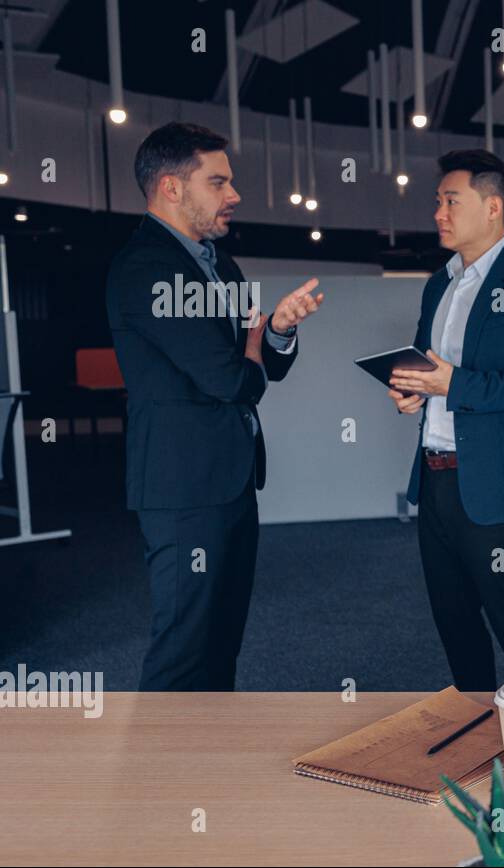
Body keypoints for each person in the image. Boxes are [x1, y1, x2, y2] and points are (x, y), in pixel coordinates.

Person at [106, 122, 324, 690]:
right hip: (182, 490)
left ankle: (209, 772)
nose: (235, 196)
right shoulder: (146, 269)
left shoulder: (219, 266)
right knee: (183, 649)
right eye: (219, 182)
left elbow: (263, 366)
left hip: (230, 482)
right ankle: (156, 780)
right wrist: (250, 352)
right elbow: (234, 382)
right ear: (172, 188)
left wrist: (274, 330)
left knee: (222, 644)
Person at [386, 149, 504, 692]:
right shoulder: (438, 284)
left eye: (451, 201)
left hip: (497, 485)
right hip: (435, 477)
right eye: (437, 202)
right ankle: (473, 726)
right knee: (453, 618)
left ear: (493, 207)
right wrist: (414, 394)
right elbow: (431, 370)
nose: (438, 213)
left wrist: (455, 385)